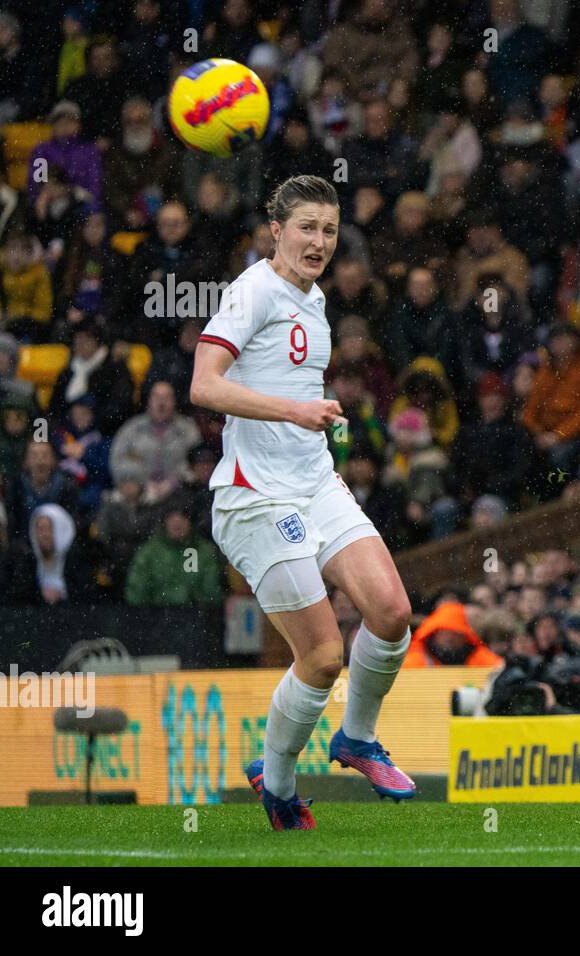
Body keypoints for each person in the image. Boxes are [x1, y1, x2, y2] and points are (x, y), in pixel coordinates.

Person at [191, 175, 416, 830]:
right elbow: (204, 385)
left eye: (329, 230)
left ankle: (356, 739)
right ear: (277, 232)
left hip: (315, 482)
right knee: (321, 657)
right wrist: (295, 410)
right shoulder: (252, 292)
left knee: (393, 612)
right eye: (307, 227)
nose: (319, 241)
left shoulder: (313, 299)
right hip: (255, 497)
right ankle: (280, 785)